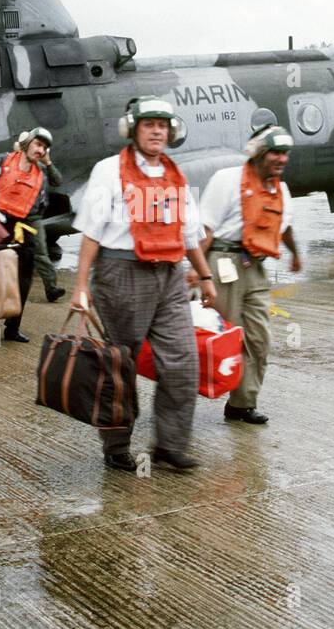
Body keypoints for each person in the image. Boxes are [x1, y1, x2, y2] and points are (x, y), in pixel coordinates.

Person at [71, 97, 217, 472]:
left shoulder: (174, 174)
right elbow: (91, 233)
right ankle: (117, 445)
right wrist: (80, 288)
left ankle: (170, 445)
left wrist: (205, 276)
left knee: (183, 362)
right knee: (121, 365)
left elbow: (189, 233)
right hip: (121, 275)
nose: (157, 131)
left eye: (163, 125)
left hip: (169, 277)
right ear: (132, 129)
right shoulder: (109, 171)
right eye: (149, 124)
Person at [197, 124, 301, 424]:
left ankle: (242, 404)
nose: (282, 159)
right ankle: (179, 395)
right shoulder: (226, 180)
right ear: (257, 153)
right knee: (217, 335)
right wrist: (197, 271)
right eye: (275, 153)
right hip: (221, 261)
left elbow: (285, 223)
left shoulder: (280, 188)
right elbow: (205, 229)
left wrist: (295, 253)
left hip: (254, 266)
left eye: (285, 153)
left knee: (259, 338)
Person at [0, 128, 51, 343]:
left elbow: (40, 207)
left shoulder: (41, 175)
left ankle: (12, 328)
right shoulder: (0, 162)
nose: (40, 150)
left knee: (23, 281)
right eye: (38, 144)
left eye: (44, 147)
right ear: (27, 144)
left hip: (23, 227)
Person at [30, 152, 67, 303]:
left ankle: (51, 289)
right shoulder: (11, 168)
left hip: (34, 217)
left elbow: (57, 181)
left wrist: (49, 163)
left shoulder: (40, 167)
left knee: (40, 254)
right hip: (15, 216)